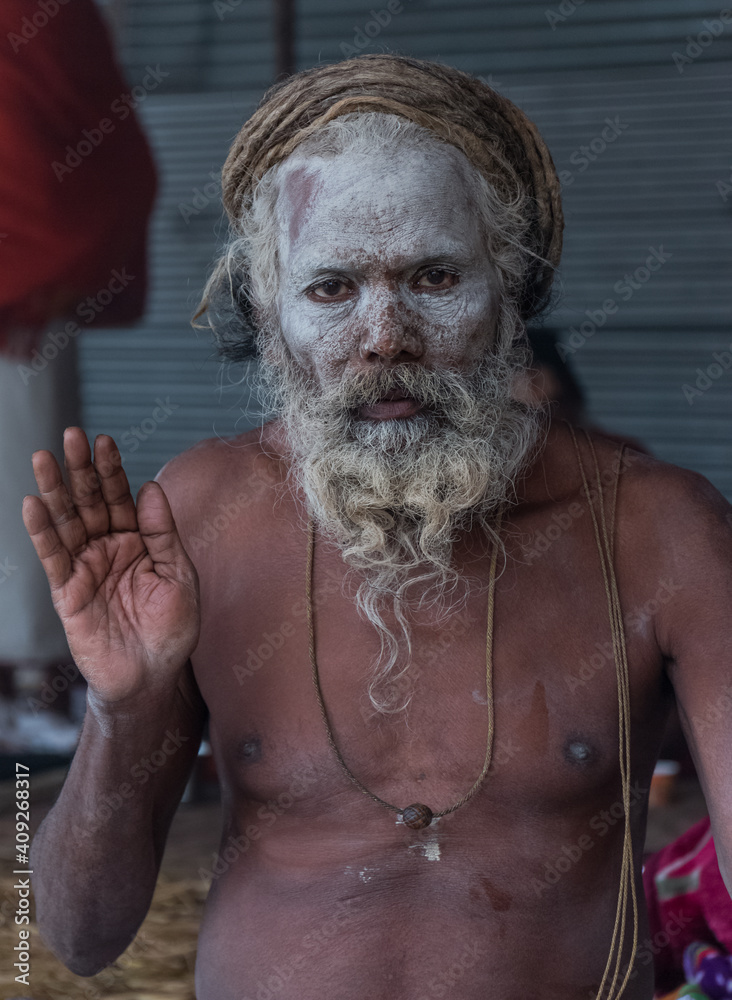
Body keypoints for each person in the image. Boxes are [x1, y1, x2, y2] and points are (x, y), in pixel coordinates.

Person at [22, 55, 732, 1000]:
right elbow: (75, 940)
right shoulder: (199, 515)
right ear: (271, 314)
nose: (385, 334)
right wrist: (123, 707)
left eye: (435, 277)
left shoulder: (658, 531)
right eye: (331, 290)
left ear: (507, 292)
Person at [0, 0, 156, 740]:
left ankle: (31, 685)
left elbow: (103, 160)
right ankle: (30, 685)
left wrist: (35, 270)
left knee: (26, 482)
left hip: (20, 298)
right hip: (24, 287)